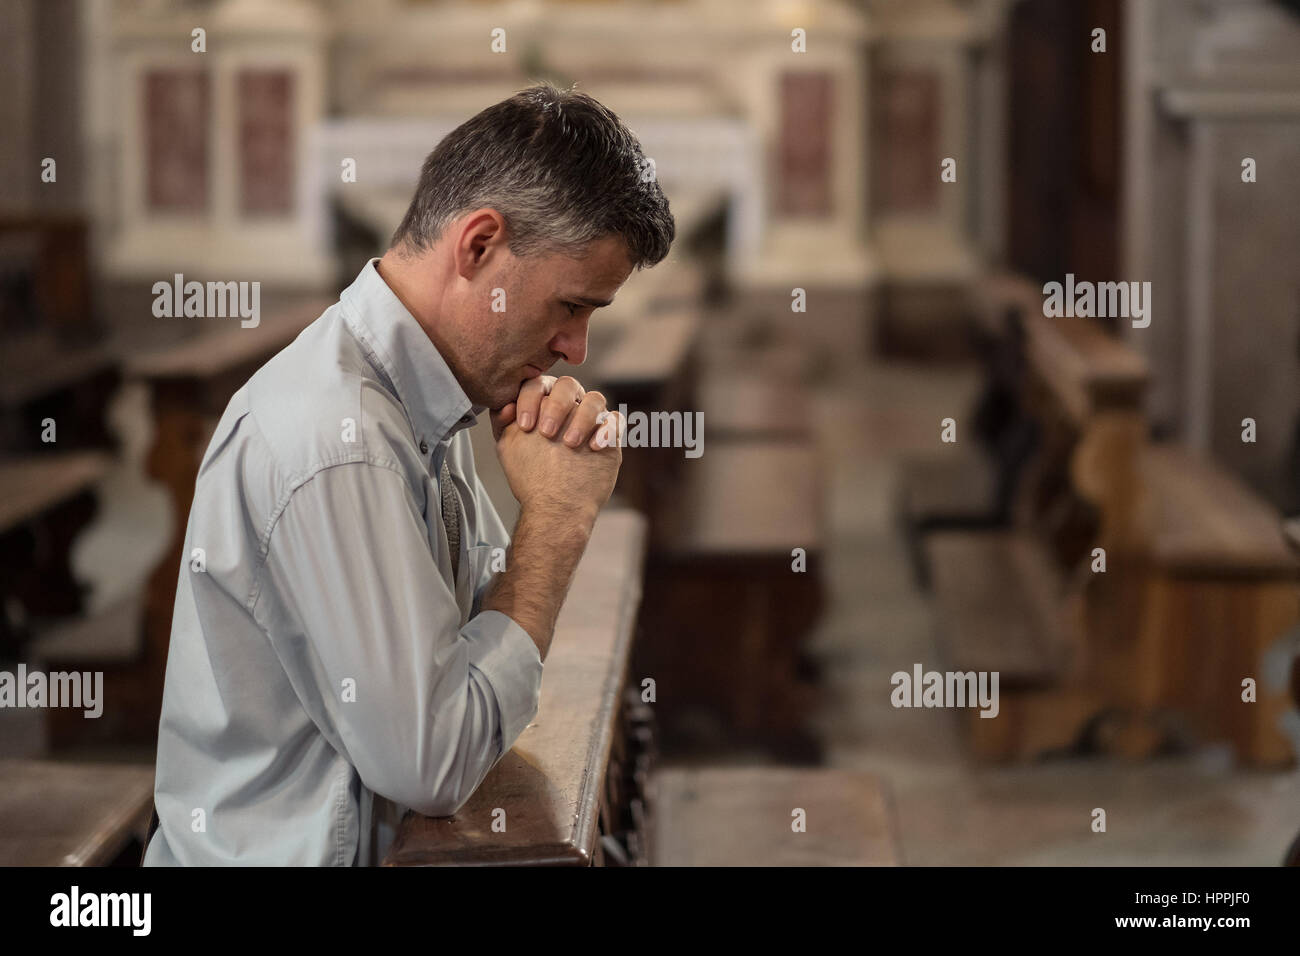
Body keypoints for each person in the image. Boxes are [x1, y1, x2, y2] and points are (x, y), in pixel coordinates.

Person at [143, 82, 675, 865]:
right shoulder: (340, 437)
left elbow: (473, 627)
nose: (577, 349)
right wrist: (556, 525)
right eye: (571, 306)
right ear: (479, 246)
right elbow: (433, 761)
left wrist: (545, 497)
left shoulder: (420, 382)